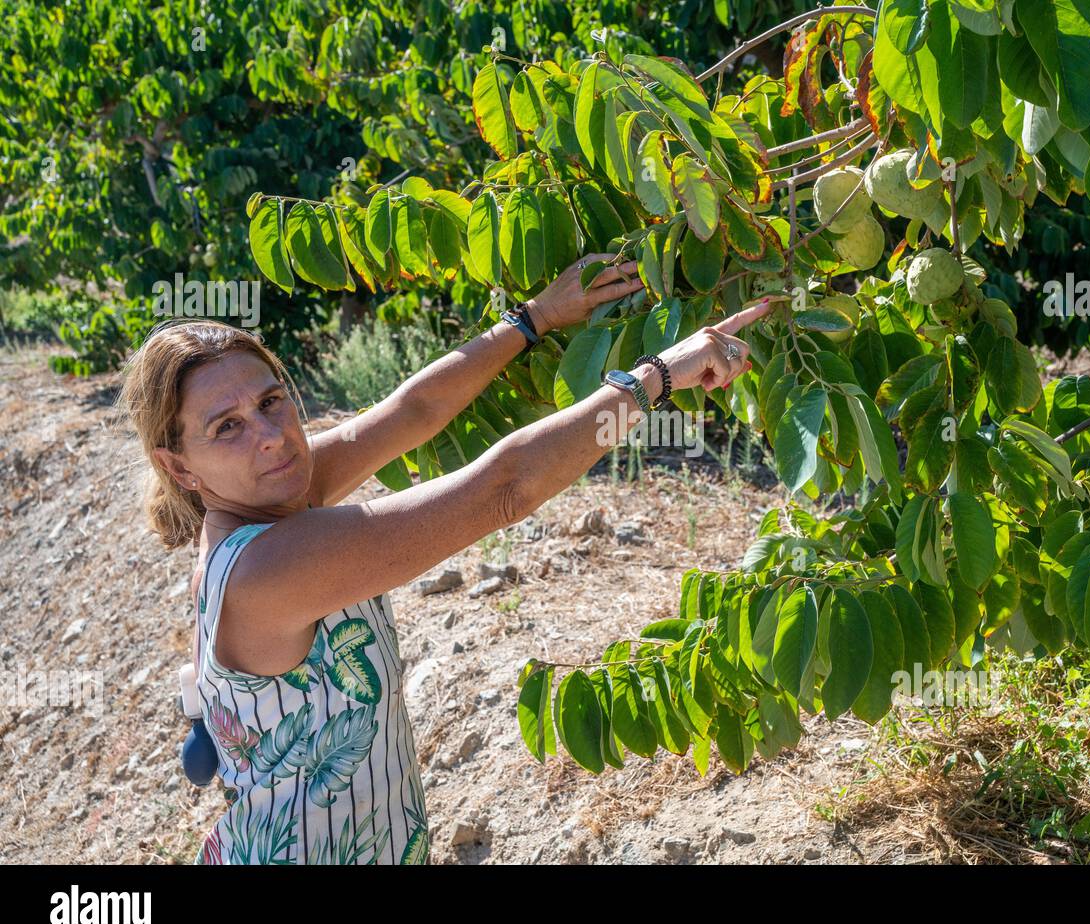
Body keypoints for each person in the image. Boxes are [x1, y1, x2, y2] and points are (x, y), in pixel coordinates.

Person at [116, 251, 769, 863]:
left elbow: (414, 408)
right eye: (225, 426)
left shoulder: (279, 488)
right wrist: (657, 376)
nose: (269, 436)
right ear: (179, 464)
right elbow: (505, 490)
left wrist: (534, 318)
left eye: (270, 400)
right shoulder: (267, 568)